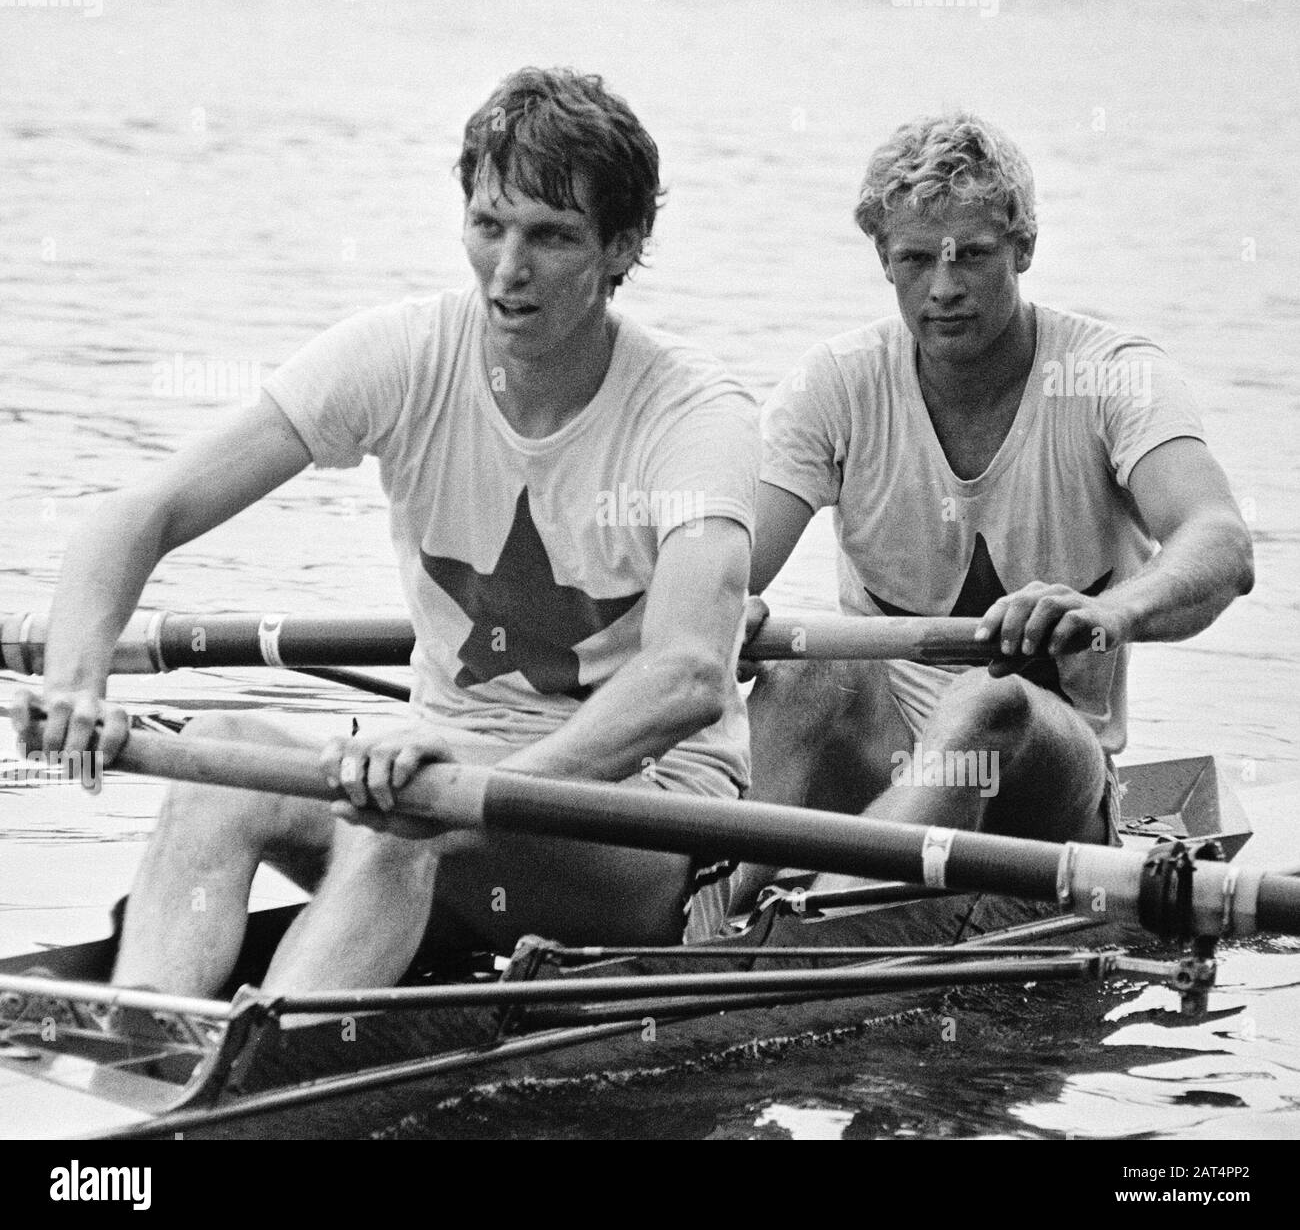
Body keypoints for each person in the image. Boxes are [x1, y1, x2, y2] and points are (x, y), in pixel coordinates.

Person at [13, 67, 758, 995]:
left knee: (399, 813)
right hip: (433, 776)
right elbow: (143, 512)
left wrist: (473, 797)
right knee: (221, 761)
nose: (509, 269)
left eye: (550, 236)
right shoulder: (407, 354)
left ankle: (268, 1068)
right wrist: (74, 685)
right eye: (488, 226)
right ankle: (148, 1037)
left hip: (642, 828)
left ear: (624, 244)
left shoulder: (695, 415)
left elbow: (687, 675)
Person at [732, 111, 1254, 912]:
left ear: (1024, 250)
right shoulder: (835, 384)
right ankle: (721, 902)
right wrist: (711, 608)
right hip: (884, 752)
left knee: (987, 699)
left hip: (1048, 779)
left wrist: (1109, 612)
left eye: (972, 256)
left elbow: (1219, 543)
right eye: (915, 259)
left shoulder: (1111, 376)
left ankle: (815, 926)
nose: (943, 289)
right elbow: (729, 565)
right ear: (884, 259)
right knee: (803, 666)